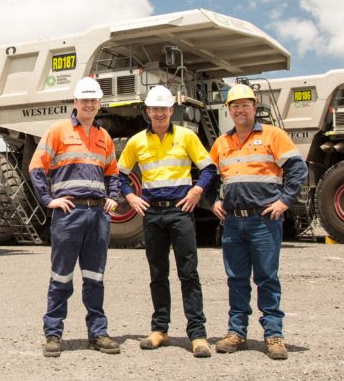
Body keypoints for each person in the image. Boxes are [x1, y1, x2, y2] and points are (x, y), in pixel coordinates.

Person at [118, 85, 218, 358]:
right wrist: (131, 196)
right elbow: (120, 174)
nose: (159, 113)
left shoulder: (186, 136)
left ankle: (197, 334)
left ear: (172, 110)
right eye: (154, 109)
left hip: (180, 212)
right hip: (152, 214)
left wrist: (197, 191)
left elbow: (209, 168)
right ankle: (159, 329)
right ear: (147, 111)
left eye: (163, 108)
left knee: (189, 273)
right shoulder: (136, 141)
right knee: (158, 273)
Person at [209, 84, 307, 360]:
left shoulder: (273, 136)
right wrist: (213, 201)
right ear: (228, 110)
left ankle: (273, 335)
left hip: (263, 221)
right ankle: (236, 332)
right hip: (233, 222)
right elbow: (208, 175)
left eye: (245, 105)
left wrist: (284, 201)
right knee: (236, 279)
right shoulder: (221, 143)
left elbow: (298, 168)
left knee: (266, 278)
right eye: (235, 106)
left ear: (254, 107)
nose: (240, 110)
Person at [30, 76, 123, 357]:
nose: (89, 105)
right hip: (69, 214)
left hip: (98, 215)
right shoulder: (58, 132)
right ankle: (53, 334)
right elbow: (36, 168)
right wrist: (49, 200)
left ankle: (98, 333)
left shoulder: (104, 137)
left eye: (93, 100)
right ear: (75, 102)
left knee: (95, 277)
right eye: (84, 100)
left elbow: (113, 173)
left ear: (99, 103)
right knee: (61, 277)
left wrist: (113, 197)